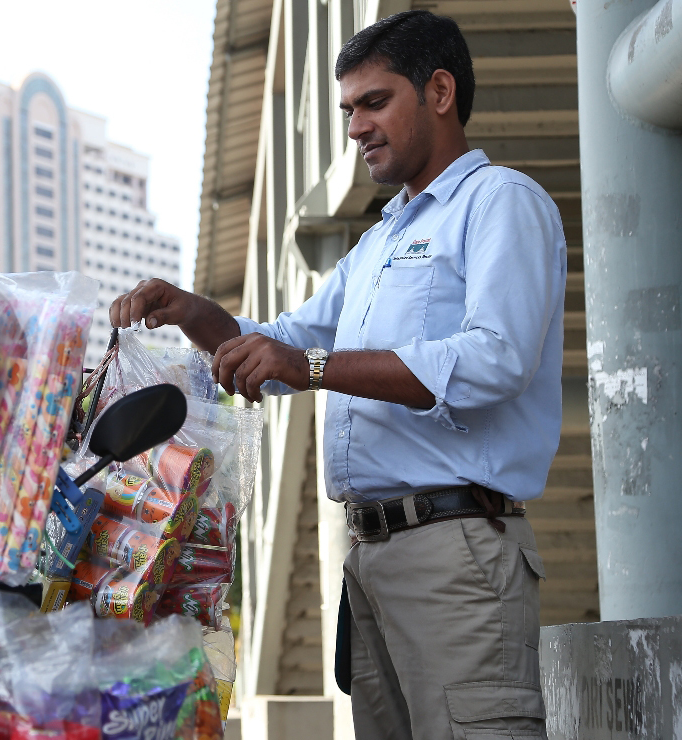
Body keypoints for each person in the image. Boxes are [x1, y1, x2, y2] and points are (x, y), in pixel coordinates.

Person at [110, 10, 564, 739]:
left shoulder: (501, 203)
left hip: (456, 556)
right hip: (371, 562)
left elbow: (494, 359)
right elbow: (282, 351)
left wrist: (312, 365)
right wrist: (191, 310)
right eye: (348, 110)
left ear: (440, 91)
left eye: (374, 102)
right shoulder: (380, 241)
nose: (355, 128)